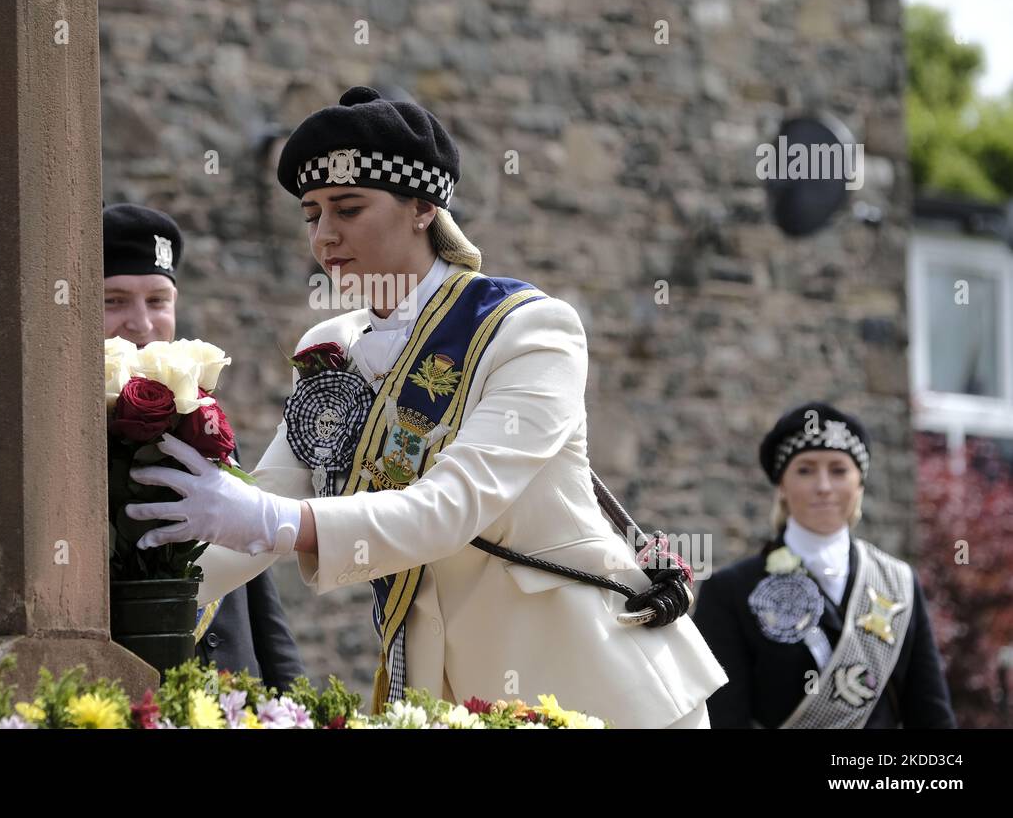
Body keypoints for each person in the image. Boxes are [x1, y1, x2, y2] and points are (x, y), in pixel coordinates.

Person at [125, 87, 727, 726]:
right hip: (444, 694)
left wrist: (276, 521)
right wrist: (130, 611)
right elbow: (261, 505)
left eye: (349, 208)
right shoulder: (330, 348)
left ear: (422, 207)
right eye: (311, 214)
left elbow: (455, 504)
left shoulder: (530, 330)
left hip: (597, 684)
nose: (325, 237)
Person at [103, 203, 305, 690]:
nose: (141, 323)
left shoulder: (193, 411)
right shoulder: (63, 432)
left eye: (157, 301)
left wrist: (291, 691)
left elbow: (252, 569)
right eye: (114, 300)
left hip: (237, 694)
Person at [692, 402, 957, 728]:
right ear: (782, 487)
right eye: (805, 469)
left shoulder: (899, 582)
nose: (823, 486)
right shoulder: (730, 591)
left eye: (838, 470)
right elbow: (722, 720)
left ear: (859, 484)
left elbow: (931, 715)